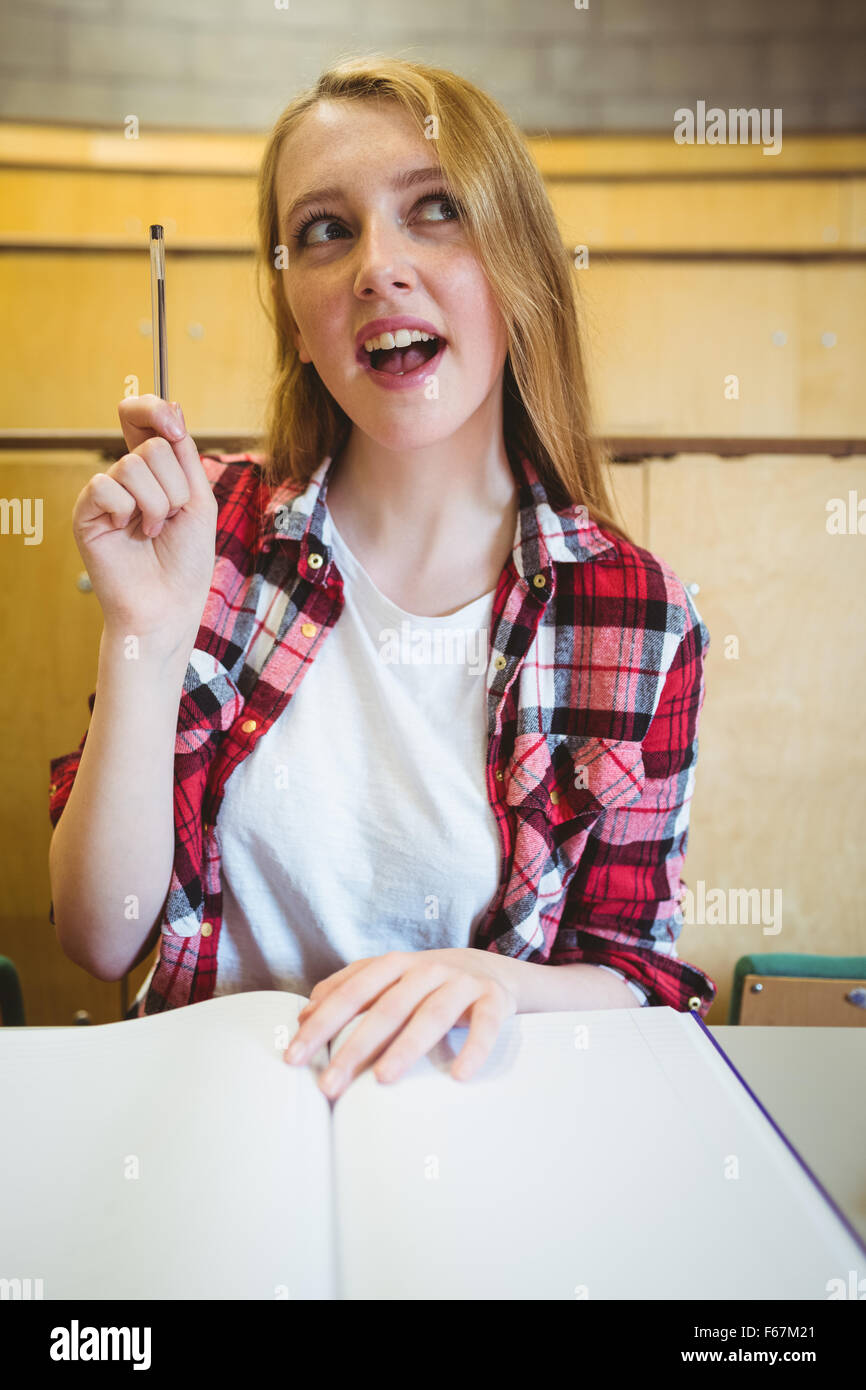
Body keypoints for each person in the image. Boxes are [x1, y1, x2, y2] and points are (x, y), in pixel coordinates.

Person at [48, 55, 716, 1101]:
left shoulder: (634, 610)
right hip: (206, 1117)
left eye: (435, 209)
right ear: (297, 319)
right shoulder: (203, 534)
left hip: (468, 1127)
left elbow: (637, 973)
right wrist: (145, 633)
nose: (377, 267)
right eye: (326, 229)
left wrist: (486, 978)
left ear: (518, 264)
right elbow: (97, 936)